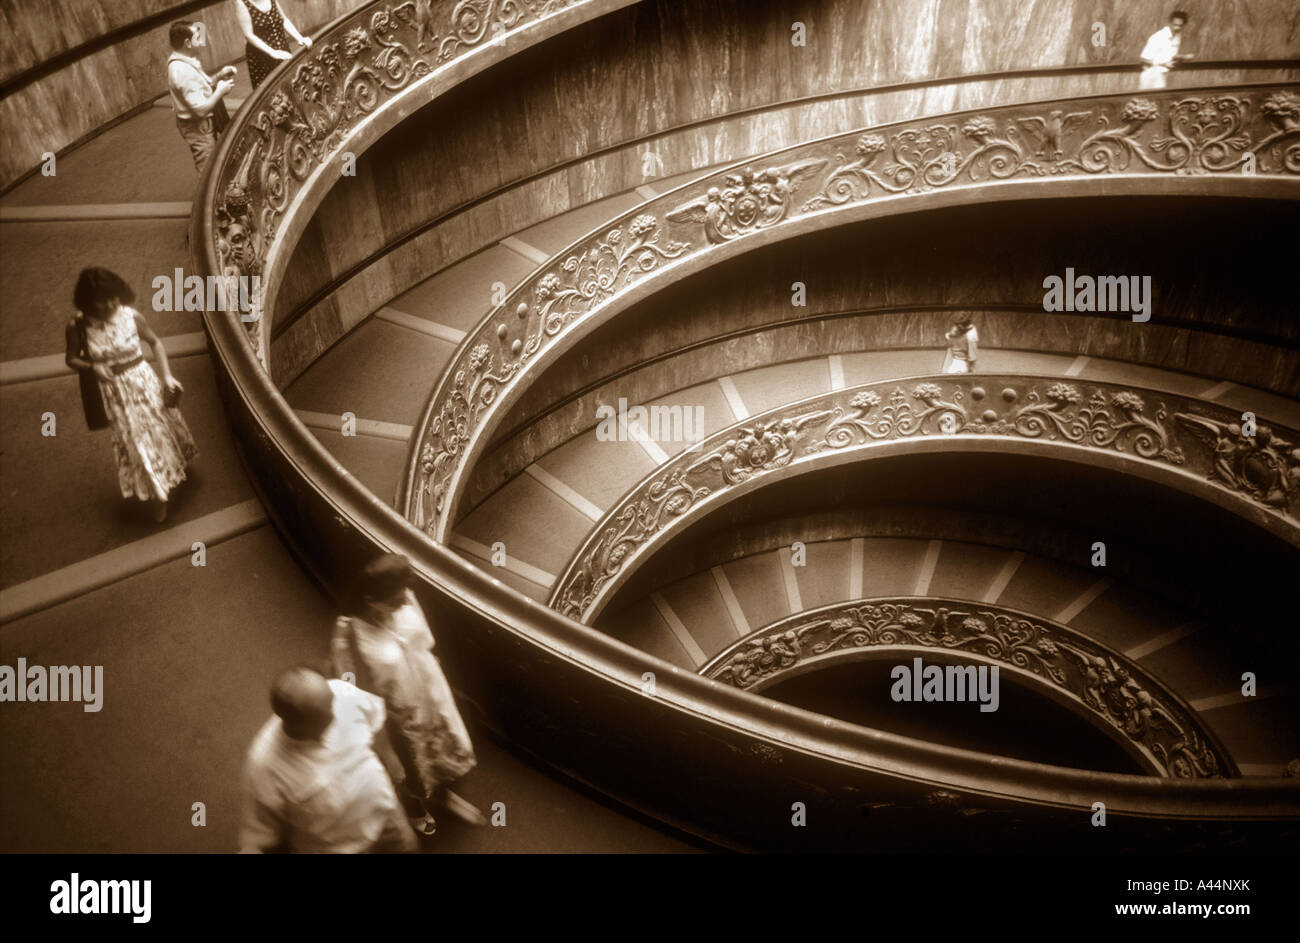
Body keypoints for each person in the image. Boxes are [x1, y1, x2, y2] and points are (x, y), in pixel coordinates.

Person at [332, 554, 486, 836]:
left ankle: (443, 795)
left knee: (449, 752)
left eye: (404, 596)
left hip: (433, 697)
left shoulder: (404, 597)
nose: (404, 603)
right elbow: (356, 697)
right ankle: (414, 809)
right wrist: (386, 750)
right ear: (370, 600)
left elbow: (426, 643)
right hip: (399, 720)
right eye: (394, 601)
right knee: (410, 773)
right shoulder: (349, 633)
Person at [239, 666, 419, 853]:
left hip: (387, 817)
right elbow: (263, 838)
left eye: (331, 701)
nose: (335, 713)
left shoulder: (340, 693)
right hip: (342, 849)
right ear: (297, 724)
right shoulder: (263, 767)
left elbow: (376, 716)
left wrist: (390, 760)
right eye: (326, 712)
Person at [65, 268, 197, 523]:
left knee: (163, 428)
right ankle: (160, 494)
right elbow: (70, 359)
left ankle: (174, 468)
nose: (110, 304)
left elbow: (155, 343)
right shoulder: (77, 326)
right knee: (137, 442)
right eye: (101, 300)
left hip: (143, 381)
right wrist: (92, 366)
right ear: (87, 302)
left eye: (113, 297)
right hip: (115, 394)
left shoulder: (131, 316)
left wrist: (167, 376)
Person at [166, 21, 237, 174]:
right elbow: (199, 111)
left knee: (215, 164)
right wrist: (220, 91)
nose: (202, 40)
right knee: (208, 171)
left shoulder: (184, 60)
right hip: (198, 127)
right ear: (188, 43)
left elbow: (201, 86)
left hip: (201, 125)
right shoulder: (182, 71)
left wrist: (219, 76)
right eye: (198, 37)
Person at [234, 0, 312, 89]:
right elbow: (248, 35)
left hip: (282, 49)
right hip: (262, 57)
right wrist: (272, 52)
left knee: (291, 84)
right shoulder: (241, 3)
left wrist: (300, 38)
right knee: (271, 92)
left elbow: (284, 20)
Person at [1139, 11, 1193, 90]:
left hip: (1163, 75)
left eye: (1180, 26)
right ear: (1170, 23)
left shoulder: (1177, 36)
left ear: (1184, 25)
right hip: (1150, 75)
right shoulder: (1158, 37)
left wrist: (1184, 57)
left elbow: (1170, 55)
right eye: (1175, 25)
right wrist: (1163, 64)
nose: (1177, 28)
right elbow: (1143, 59)